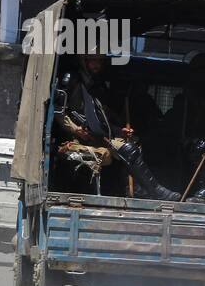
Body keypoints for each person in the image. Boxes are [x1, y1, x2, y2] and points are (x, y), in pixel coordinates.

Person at [55, 52, 178, 201]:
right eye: (93, 60)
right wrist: (75, 129)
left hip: (97, 137)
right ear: (83, 60)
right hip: (73, 140)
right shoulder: (71, 80)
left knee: (131, 147)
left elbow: (103, 122)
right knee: (102, 155)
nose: (97, 65)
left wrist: (121, 132)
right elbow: (58, 113)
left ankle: (147, 190)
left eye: (100, 61)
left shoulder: (96, 86)